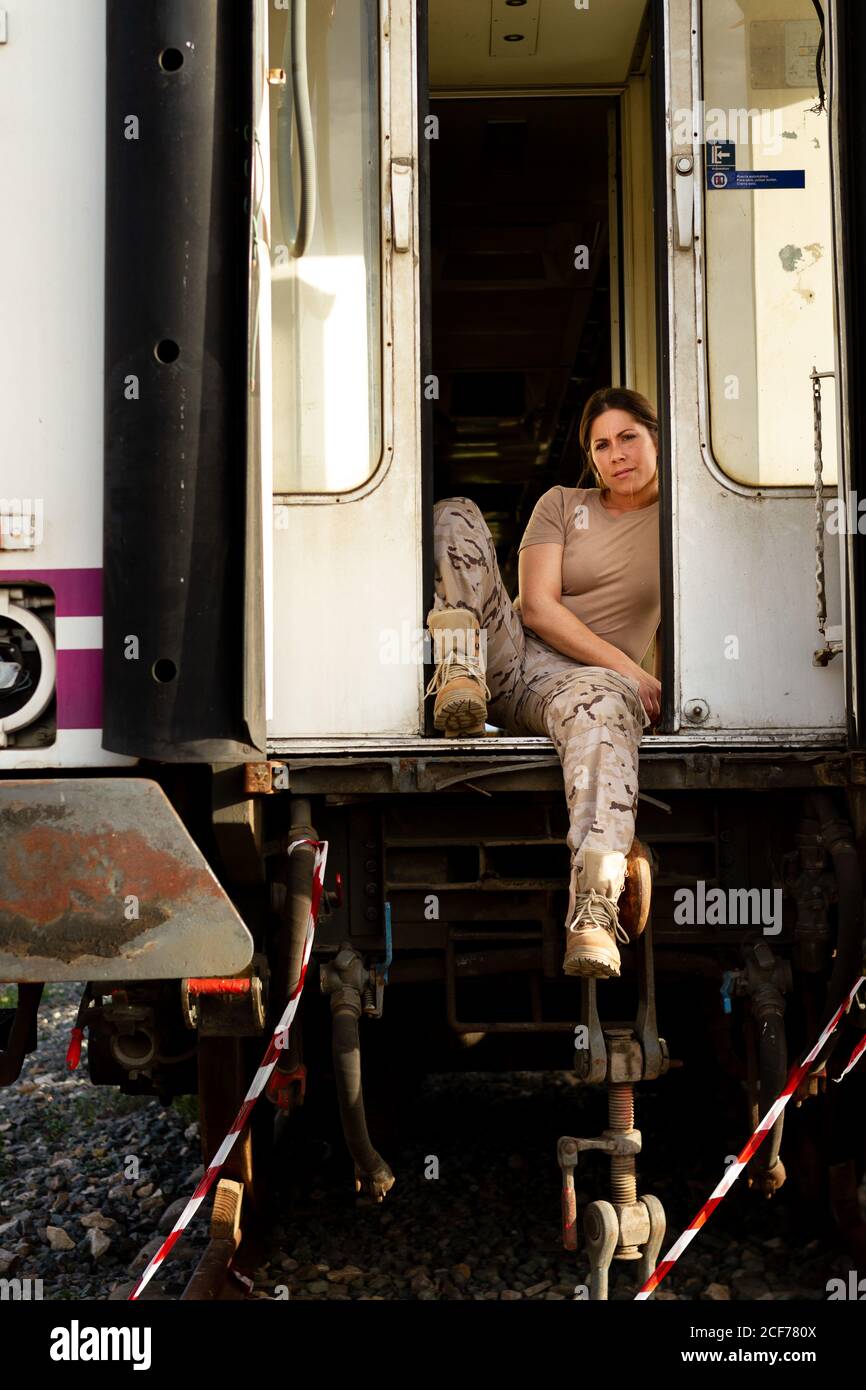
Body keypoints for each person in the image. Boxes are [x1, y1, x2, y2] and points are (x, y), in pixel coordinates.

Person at [424, 386, 661, 980]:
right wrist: (633, 671)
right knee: (454, 513)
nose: (616, 455)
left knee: (607, 705)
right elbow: (537, 608)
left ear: (657, 436)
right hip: (510, 662)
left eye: (628, 437)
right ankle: (458, 670)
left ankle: (593, 912)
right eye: (601, 445)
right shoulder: (561, 503)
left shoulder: (683, 519)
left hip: (581, 691)